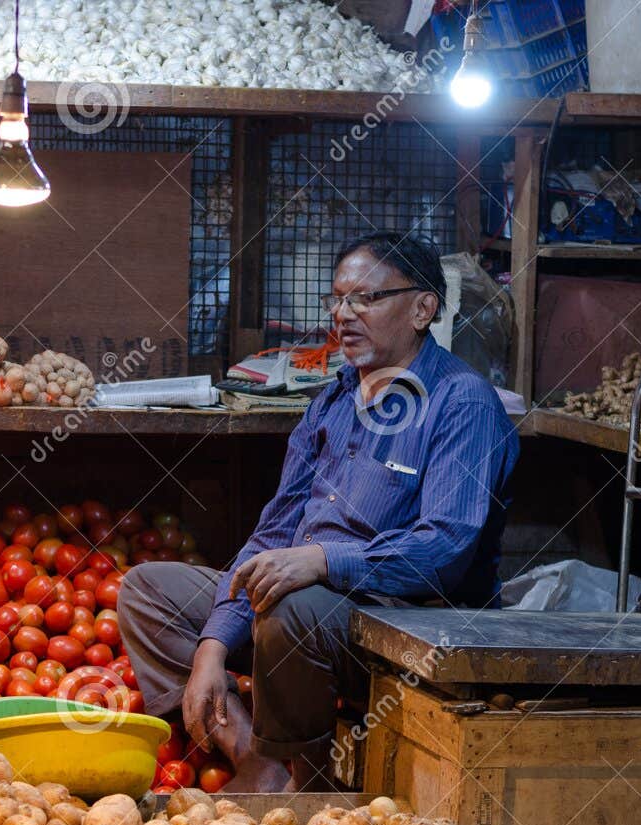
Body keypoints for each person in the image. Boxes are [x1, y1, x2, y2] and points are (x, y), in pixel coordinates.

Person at [120, 232, 519, 791]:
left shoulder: (461, 403)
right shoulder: (331, 402)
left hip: (409, 620)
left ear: (422, 308)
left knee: (292, 604)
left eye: (365, 299)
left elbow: (446, 550)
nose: (343, 315)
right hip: (312, 601)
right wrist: (212, 645)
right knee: (148, 589)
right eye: (337, 300)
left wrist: (324, 561)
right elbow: (273, 533)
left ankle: (305, 778)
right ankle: (253, 757)